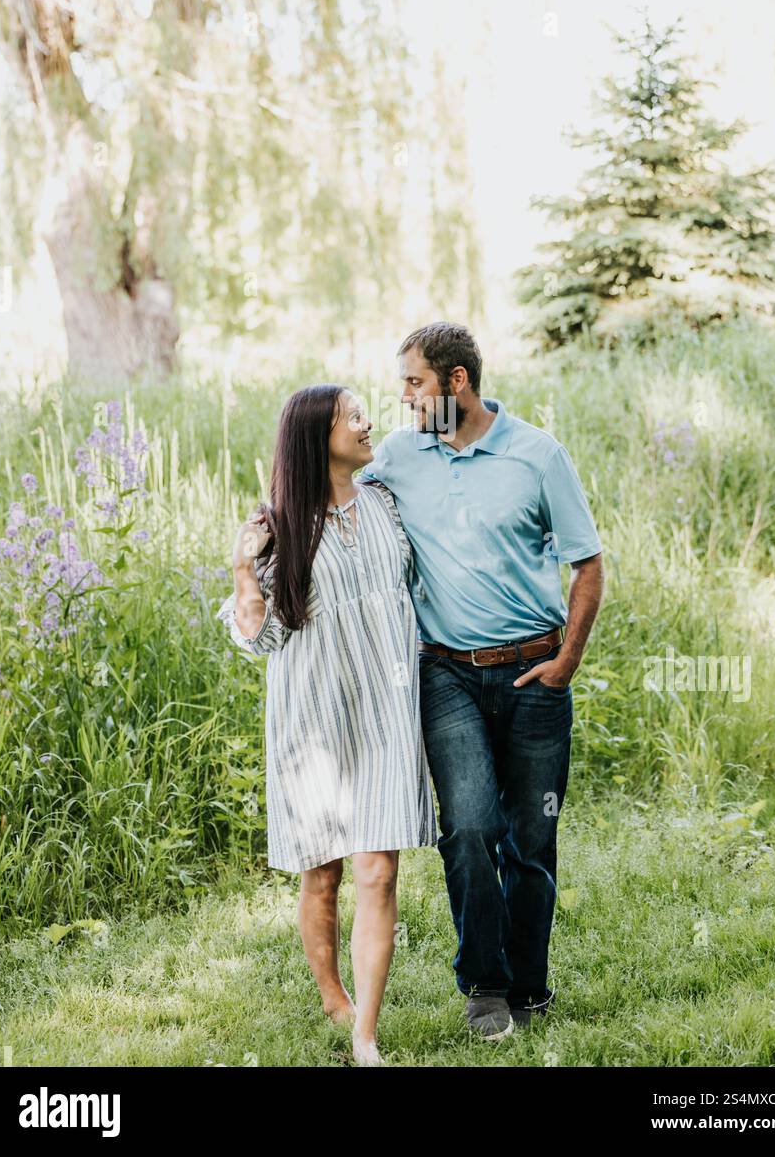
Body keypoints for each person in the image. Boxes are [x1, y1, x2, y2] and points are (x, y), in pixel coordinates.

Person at [361, 322, 604, 1040]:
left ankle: (530, 986)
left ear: (456, 382)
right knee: (468, 827)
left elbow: (586, 564)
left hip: (534, 671)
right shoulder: (401, 455)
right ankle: (485, 986)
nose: (402, 398)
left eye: (414, 383)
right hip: (446, 672)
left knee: (531, 838)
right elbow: (333, 490)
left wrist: (566, 664)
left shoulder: (535, 455)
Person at [217, 384, 437, 1067]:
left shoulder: (387, 505)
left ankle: (364, 1035)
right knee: (323, 875)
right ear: (318, 436)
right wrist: (242, 571)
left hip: (385, 711)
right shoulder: (279, 527)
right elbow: (259, 641)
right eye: (351, 416)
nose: (367, 422)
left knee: (377, 871)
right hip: (311, 719)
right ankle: (331, 996)